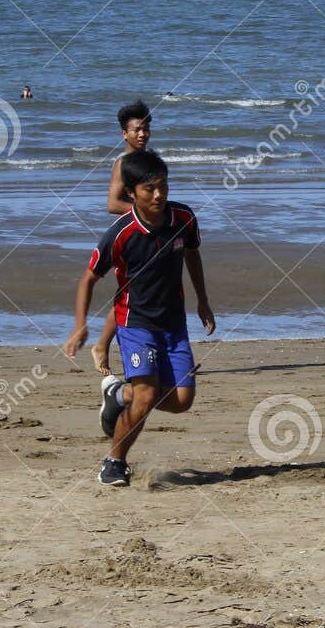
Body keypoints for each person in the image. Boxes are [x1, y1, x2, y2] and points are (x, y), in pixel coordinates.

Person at [63, 149, 215, 487]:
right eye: (149, 189)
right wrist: (80, 326)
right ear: (131, 193)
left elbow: (193, 254)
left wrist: (203, 300)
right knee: (146, 395)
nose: (159, 194)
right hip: (134, 325)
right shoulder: (121, 234)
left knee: (181, 402)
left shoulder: (183, 219)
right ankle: (114, 462)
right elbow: (89, 278)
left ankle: (118, 394)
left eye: (163, 186)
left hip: (174, 324)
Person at [92, 100, 154, 373]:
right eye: (137, 129)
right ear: (124, 134)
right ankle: (102, 345)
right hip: (131, 236)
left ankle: (150, 349)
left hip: (152, 233)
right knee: (130, 293)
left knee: (148, 291)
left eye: (146, 128)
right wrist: (145, 211)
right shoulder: (124, 163)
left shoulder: (150, 160)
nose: (143, 134)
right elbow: (112, 204)